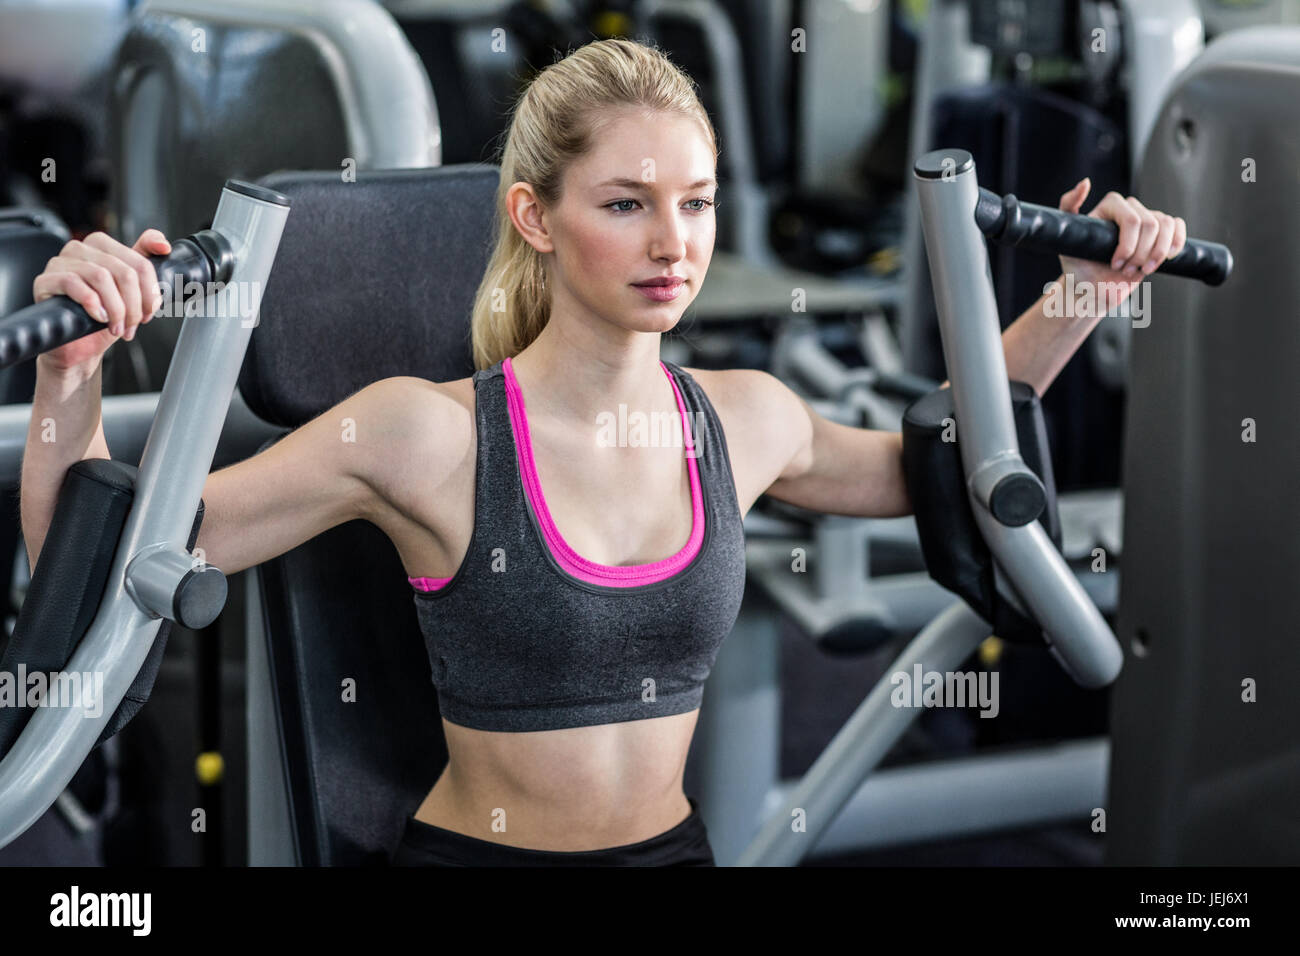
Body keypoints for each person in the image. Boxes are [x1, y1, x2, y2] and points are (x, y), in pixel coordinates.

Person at [20, 38, 1187, 867]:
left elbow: (945, 461)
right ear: (535, 216)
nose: (672, 243)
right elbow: (111, 561)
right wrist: (66, 376)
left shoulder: (744, 416)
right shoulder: (424, 433)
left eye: (696, 202)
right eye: (626, 204)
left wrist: (1084, 296)